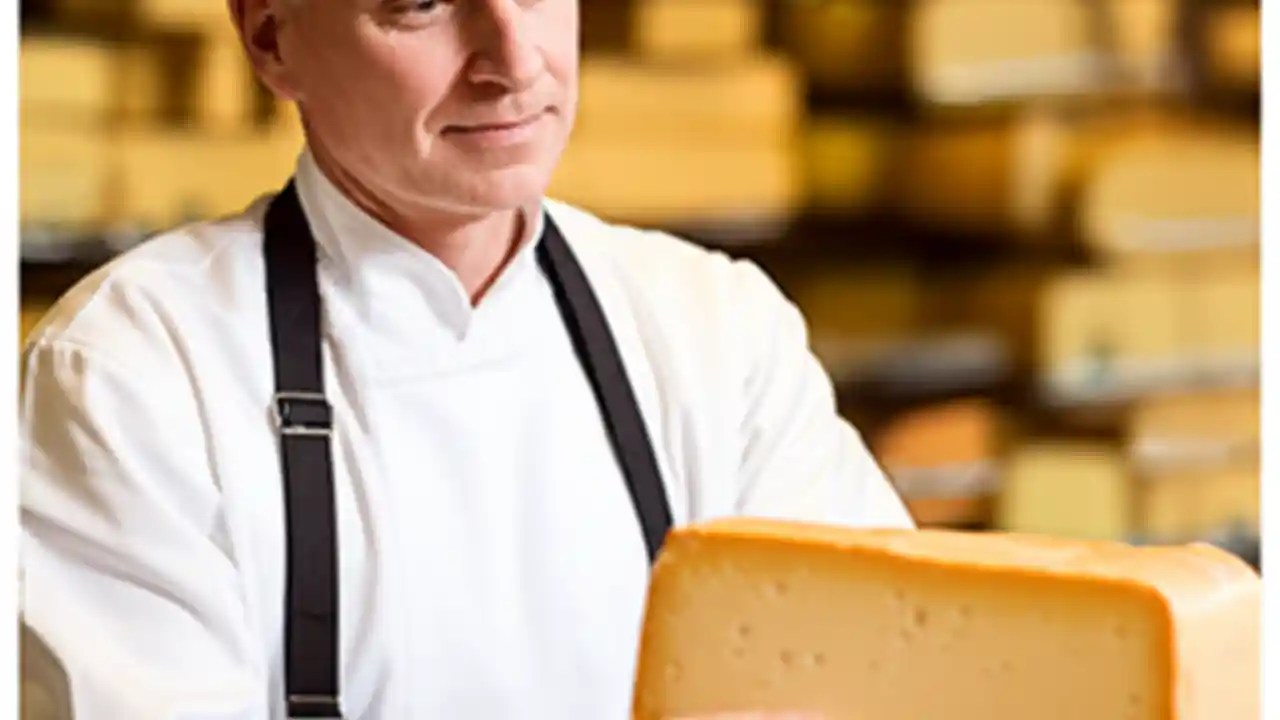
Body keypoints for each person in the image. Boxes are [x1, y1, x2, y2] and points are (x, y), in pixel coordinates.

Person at [19, 0, 914, 717]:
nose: (513, 61)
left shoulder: (719, 333)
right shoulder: (134, 370)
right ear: (270, 37)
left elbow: (886, 673)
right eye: (423, 6)